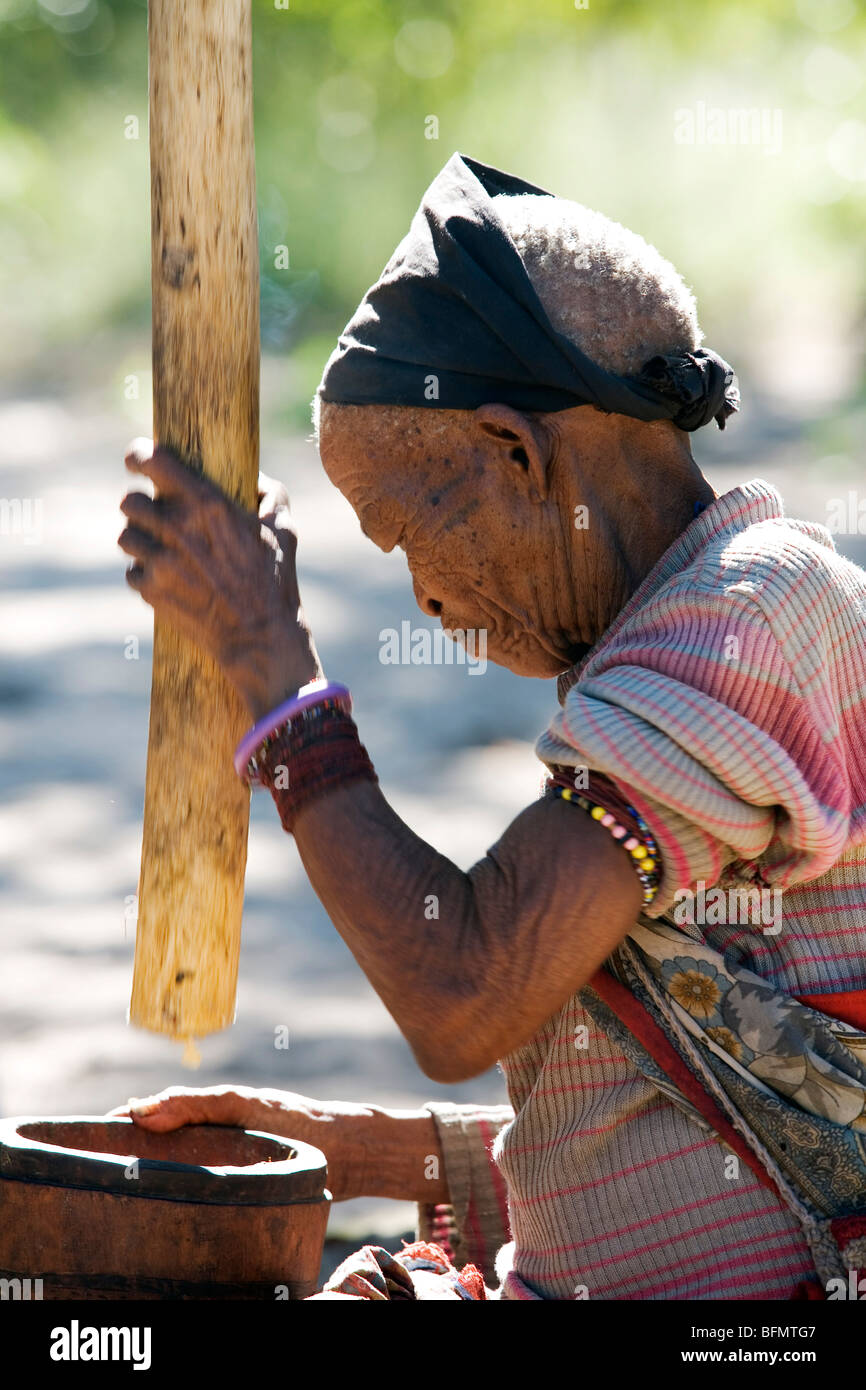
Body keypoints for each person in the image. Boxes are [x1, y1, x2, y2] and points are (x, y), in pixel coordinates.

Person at [116, 154, 866, 1300]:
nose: (419, 594)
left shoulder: (753, 608)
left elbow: (465, 991)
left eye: (407, 530)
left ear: (516, 455)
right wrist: (342, 1145)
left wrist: (274, 674)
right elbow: (648, 1132)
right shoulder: (670, 654)